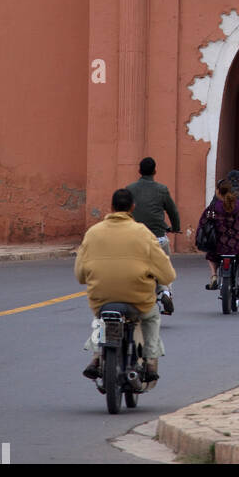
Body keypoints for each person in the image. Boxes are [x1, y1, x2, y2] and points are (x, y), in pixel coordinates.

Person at [75, 187, 176, 383]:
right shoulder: (143, 233)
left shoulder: (93, 233)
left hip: (102, 299)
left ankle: (96, 358)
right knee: (152, 318)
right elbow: (167, 274)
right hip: (138, 299)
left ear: (111, 207)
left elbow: (80, 275)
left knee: (101, 319)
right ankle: (150, 362)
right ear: (132, 207)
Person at [126, 156, 181, 315]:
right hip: (158, 238)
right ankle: (165, 292)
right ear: (155, 171)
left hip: (135, 238)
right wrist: (175, 227)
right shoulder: (162, 189)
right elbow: (173, 212)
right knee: (165, 267)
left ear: (139, 171)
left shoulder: (129, 189)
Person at [197, 172, 239, 292]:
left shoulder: (213, 207)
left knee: (210, 256)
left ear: (218, 191)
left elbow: (204, 223)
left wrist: (203, 239)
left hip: (219, 246)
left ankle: (213, 276)